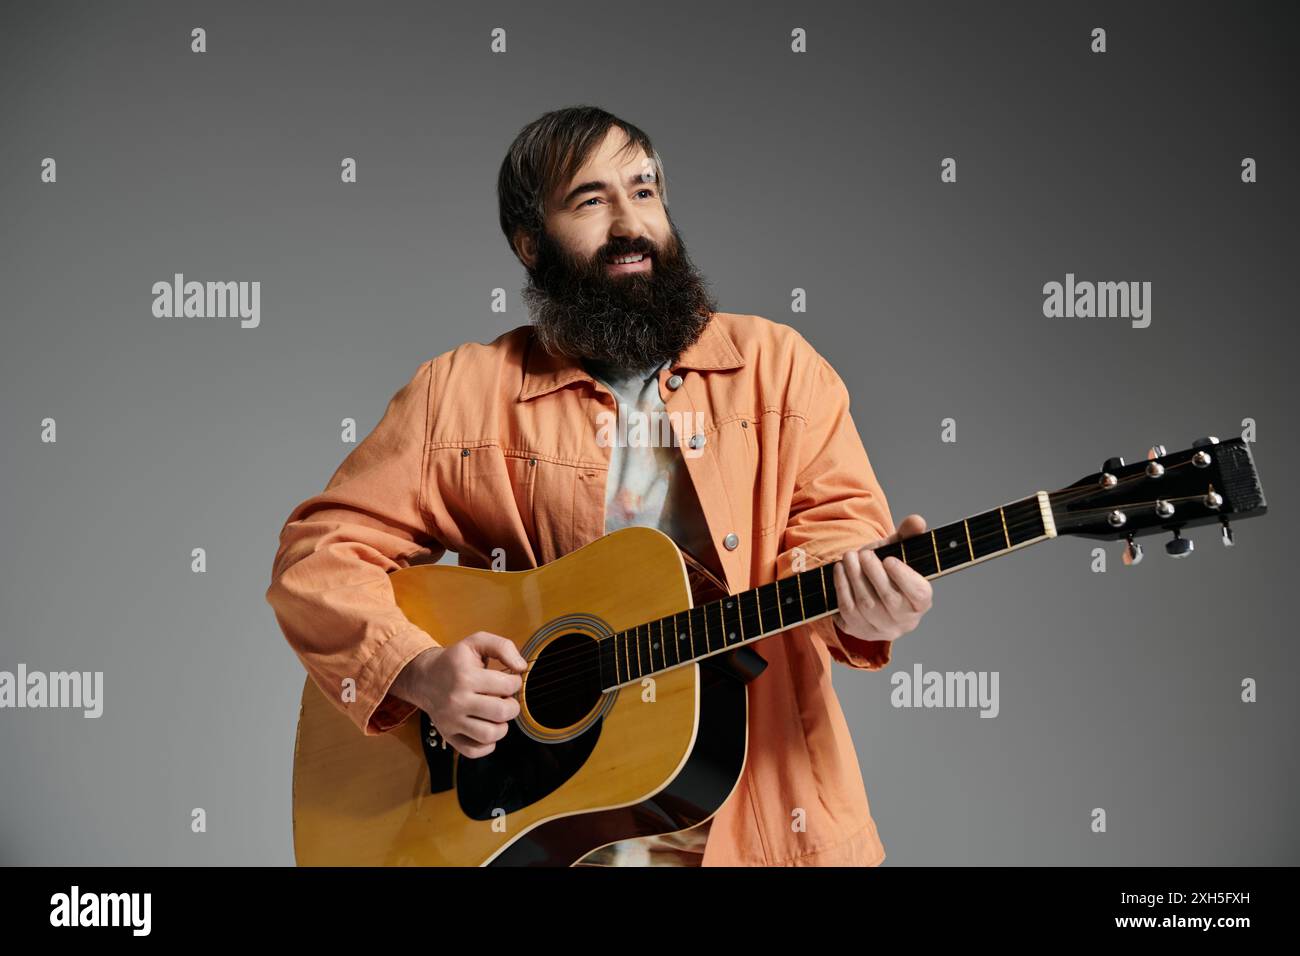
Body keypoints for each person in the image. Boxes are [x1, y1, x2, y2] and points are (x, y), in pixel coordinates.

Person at [265, 105, 934, 867]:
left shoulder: (781, 371)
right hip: (543, 839)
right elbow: (317, 559)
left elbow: (836, 536)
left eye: (645, 191)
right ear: (529, 243)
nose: (629, 223)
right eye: (590, 200)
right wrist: (416, 672)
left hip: (769, 833)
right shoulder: (460, 394)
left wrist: (865, 596)